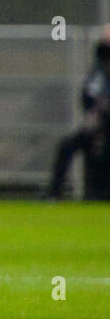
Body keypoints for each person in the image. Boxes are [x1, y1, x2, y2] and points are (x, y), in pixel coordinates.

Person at [48, 25, 110, 200]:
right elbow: (87, 97)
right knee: (67, 146)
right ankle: (54, 193)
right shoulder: (98, 72)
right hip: (99, 125)